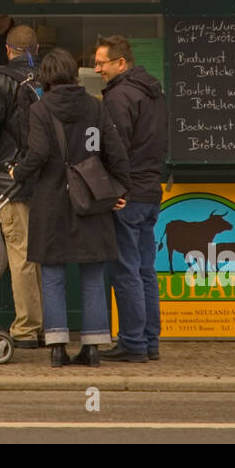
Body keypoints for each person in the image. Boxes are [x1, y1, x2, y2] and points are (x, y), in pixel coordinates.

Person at [11, 48, 129, 368]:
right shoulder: (96, 106)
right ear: (75, 74)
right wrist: (119, 188)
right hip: (91, 199)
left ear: (47, 76)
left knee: (52, 274)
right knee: (92, 273)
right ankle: (92, 346)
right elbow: (115, 151)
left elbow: (36, 154)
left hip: (52, 200)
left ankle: (57, 346)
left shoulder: (41, 109)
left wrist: (17, 172)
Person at [96, 35, 168, 363]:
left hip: (129, 195)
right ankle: (150, 341)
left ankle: (133, 343)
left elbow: (117, 149)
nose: (97, 69)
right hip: (151, 191)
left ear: (121, 63)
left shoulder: (118, 97)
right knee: (144, 270)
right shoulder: (154, 92)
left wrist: (115, 190)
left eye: (102, 63)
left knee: (125, 270)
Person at [0, 24, 44, 348]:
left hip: (12, 179)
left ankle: (26, 328)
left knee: (21, 254)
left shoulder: (0, 80)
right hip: (48, 179)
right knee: (43, 255)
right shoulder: (49, 78)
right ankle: (45, 325)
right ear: (37, 48)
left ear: (7, 50)